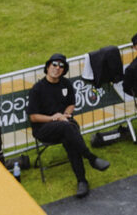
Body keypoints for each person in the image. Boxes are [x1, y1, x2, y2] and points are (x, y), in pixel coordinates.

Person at [28, 53, 111, 198]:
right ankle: (91, 158)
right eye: (54, 64)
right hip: (43, 128)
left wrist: (66, 114)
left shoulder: (66, 84)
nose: (57, 68)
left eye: (61, 66)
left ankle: (82, 181)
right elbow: (33, 117)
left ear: (64, 70)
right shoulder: (37, 89)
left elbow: (71, 104)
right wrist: (54, 118)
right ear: (48, 67)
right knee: (68, 128)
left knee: (70, 136)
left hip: (64, 124)